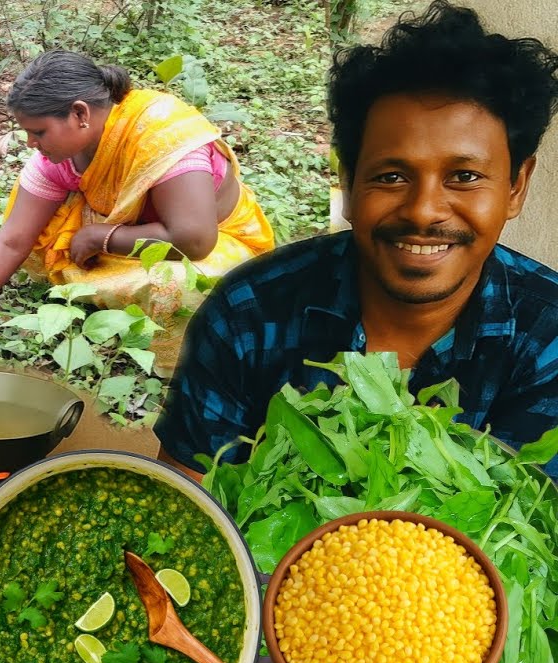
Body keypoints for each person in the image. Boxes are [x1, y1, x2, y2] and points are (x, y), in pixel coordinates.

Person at [154, 1, 558, 480]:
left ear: (515, 187)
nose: (423, 211)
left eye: (464, 176)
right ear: (348, 184)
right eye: (391, 176)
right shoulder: (248, 314)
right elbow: (186, 497)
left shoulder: (548, 338)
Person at [0, 50, 275, 355]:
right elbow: (12, 240)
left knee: (181, 289)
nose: (30, 143)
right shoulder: (60, 155)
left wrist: (99, 237)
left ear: (80, 114)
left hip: (215, 241)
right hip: (140, 234)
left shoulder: (161, 131)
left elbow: (196, 240)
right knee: (44, 234)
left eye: (39, 132)